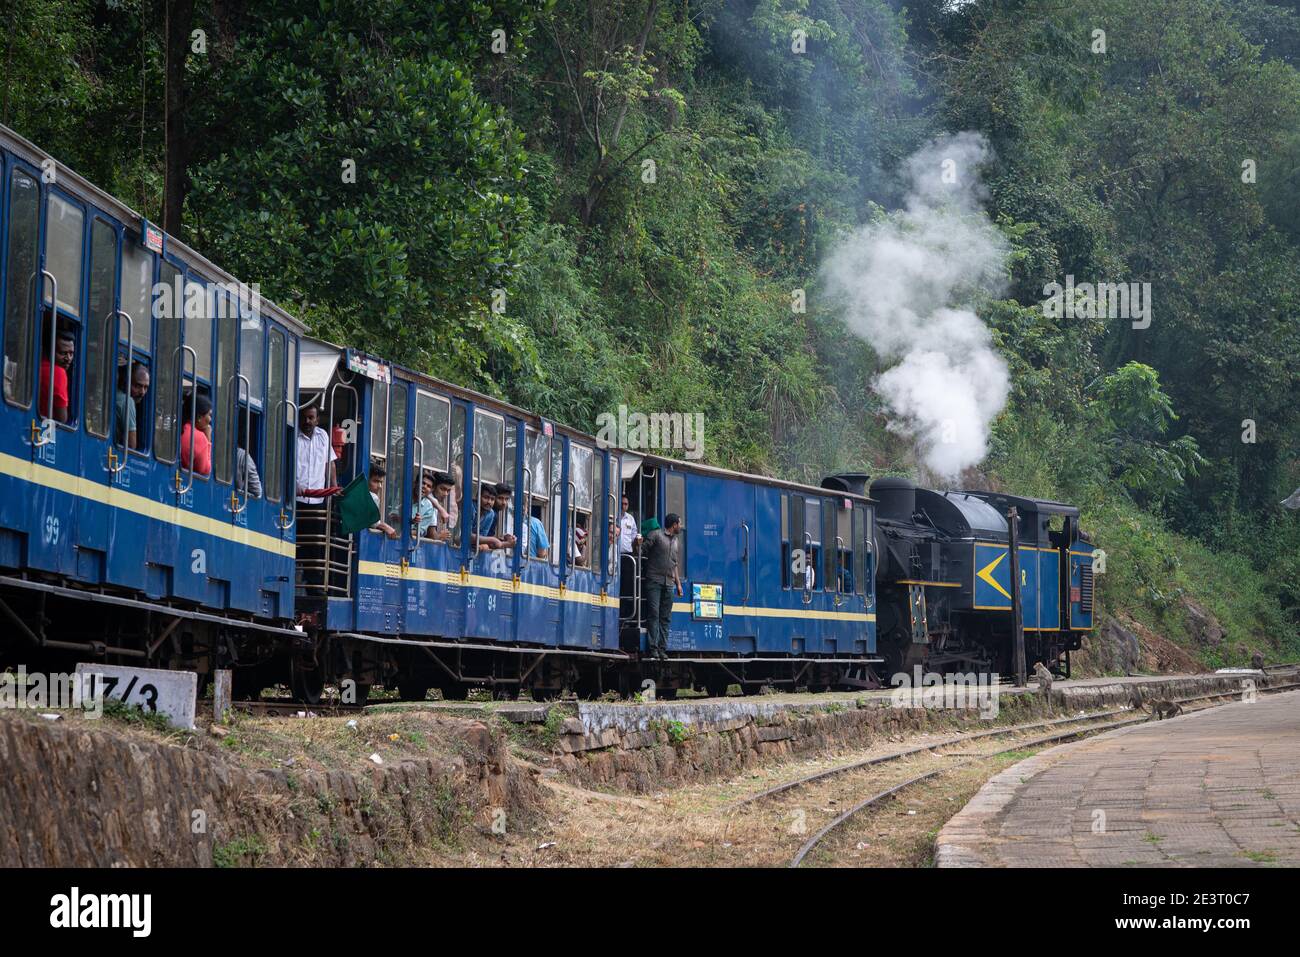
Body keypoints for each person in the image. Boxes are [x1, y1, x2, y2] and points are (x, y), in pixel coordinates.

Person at [642, 513, 683, 659]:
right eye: (679, 523)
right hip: (654, 580)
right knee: (654, 614)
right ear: (674, 525)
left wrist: (678, 584)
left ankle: (662, 648)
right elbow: (642, 550)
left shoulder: (676, 541)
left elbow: (675, 564)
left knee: (665, 617)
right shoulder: (656, 535)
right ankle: (653, 648)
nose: (681, 526)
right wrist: (637, 544)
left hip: (669, 583)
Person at [295, 402, 337, 503]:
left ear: (317, 420)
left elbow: (330, 463)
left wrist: (334, 487)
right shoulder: (293, 435)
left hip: (318, 499)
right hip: (296, 497)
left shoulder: (323, 435)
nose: (307, 421)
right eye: (304, 417)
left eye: (311, 417)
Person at [38, 324, 75, 423]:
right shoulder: (58, 372)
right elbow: (62, 419)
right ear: (48, 351)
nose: (68, 358)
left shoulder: (38, 367)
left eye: (71, 353)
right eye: (63, 353)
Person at [116, 361, 149, 449]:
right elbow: (131, 446)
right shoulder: (127, 401)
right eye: (138, 386)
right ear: (126, 382)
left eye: (145, 387)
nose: (142, 392)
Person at [179, 393, 213, 476]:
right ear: (199, 417)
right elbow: (205, 470)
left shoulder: (179, 427)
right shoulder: (200, 438)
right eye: (209, 415)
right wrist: (208, 439)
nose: (210, 419)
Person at [368, 463, 398, 539]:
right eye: (375, 481)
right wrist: (386, 527)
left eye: (381, 482)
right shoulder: (372, 496)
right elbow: (372, 521)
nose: (380, 486)